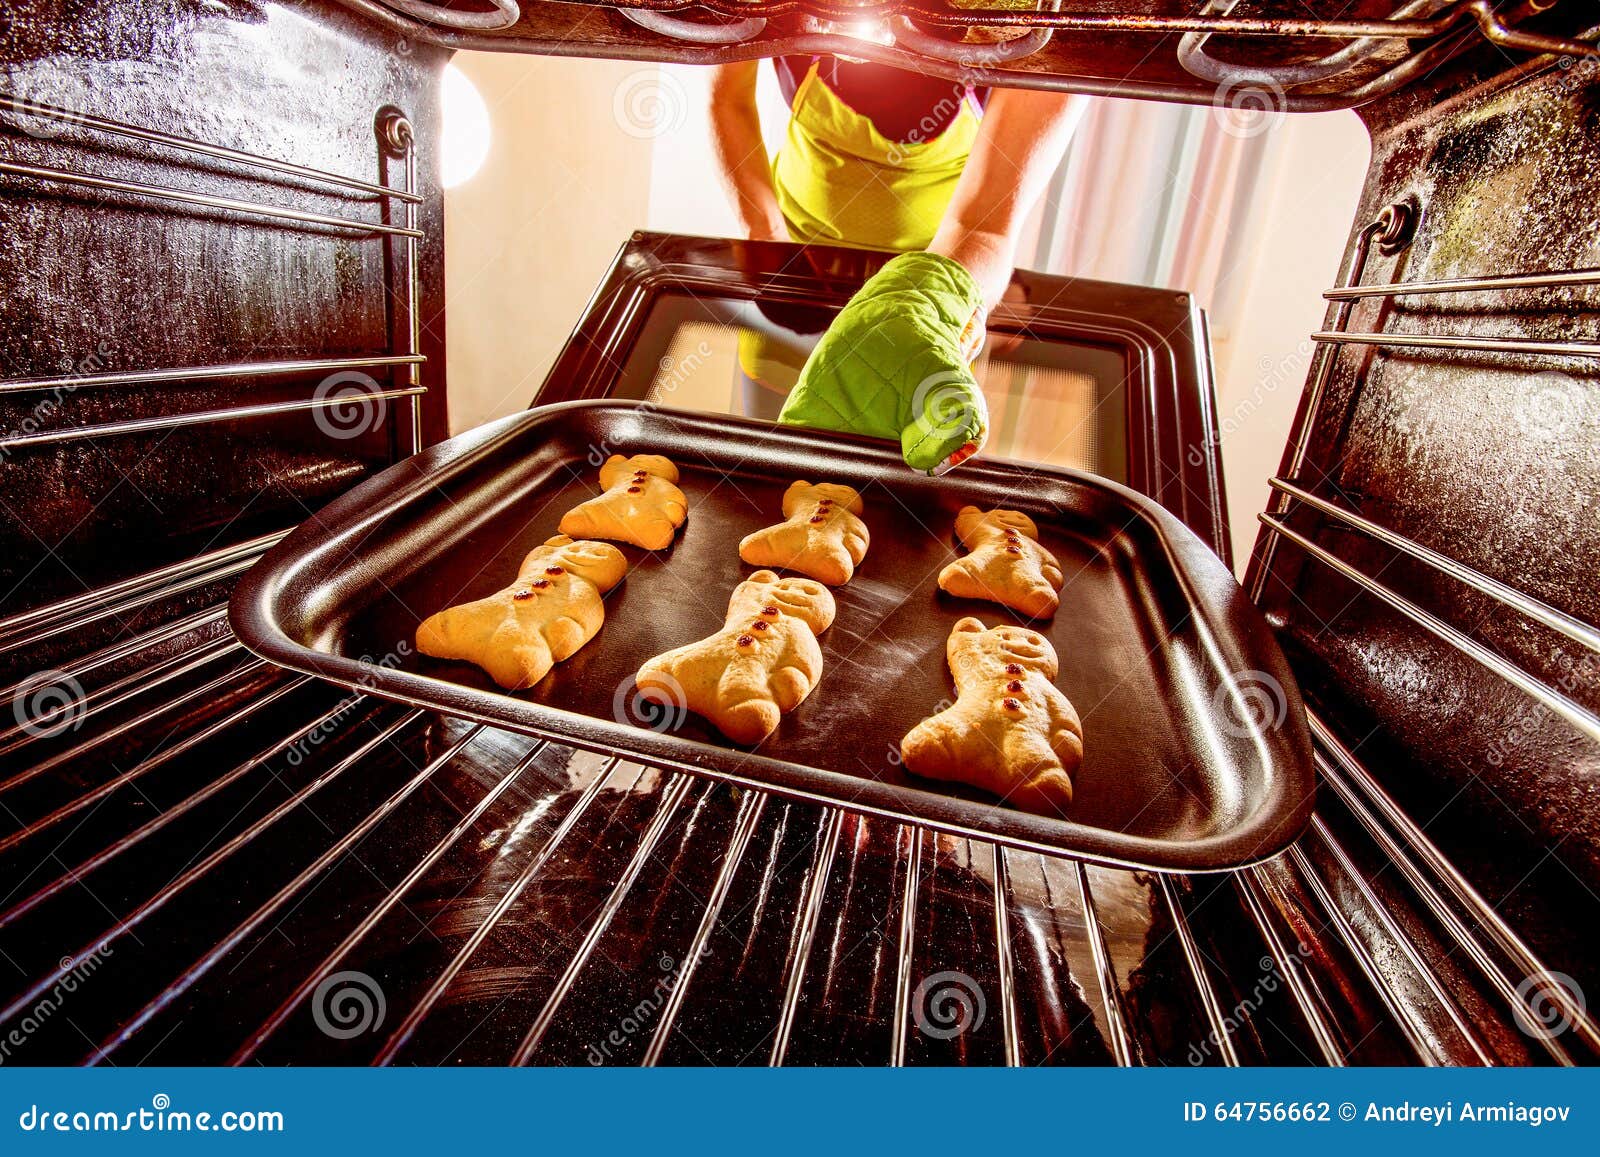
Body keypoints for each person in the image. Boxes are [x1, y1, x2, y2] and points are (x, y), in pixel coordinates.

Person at [709, 55, 1086, 472]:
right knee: (762, 471)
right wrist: (763, 233)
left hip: (922, 301)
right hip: (793, 285)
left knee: (892, 491)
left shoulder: (1043, 29)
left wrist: (937, 312)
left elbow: (985, 227)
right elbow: (727, 99)